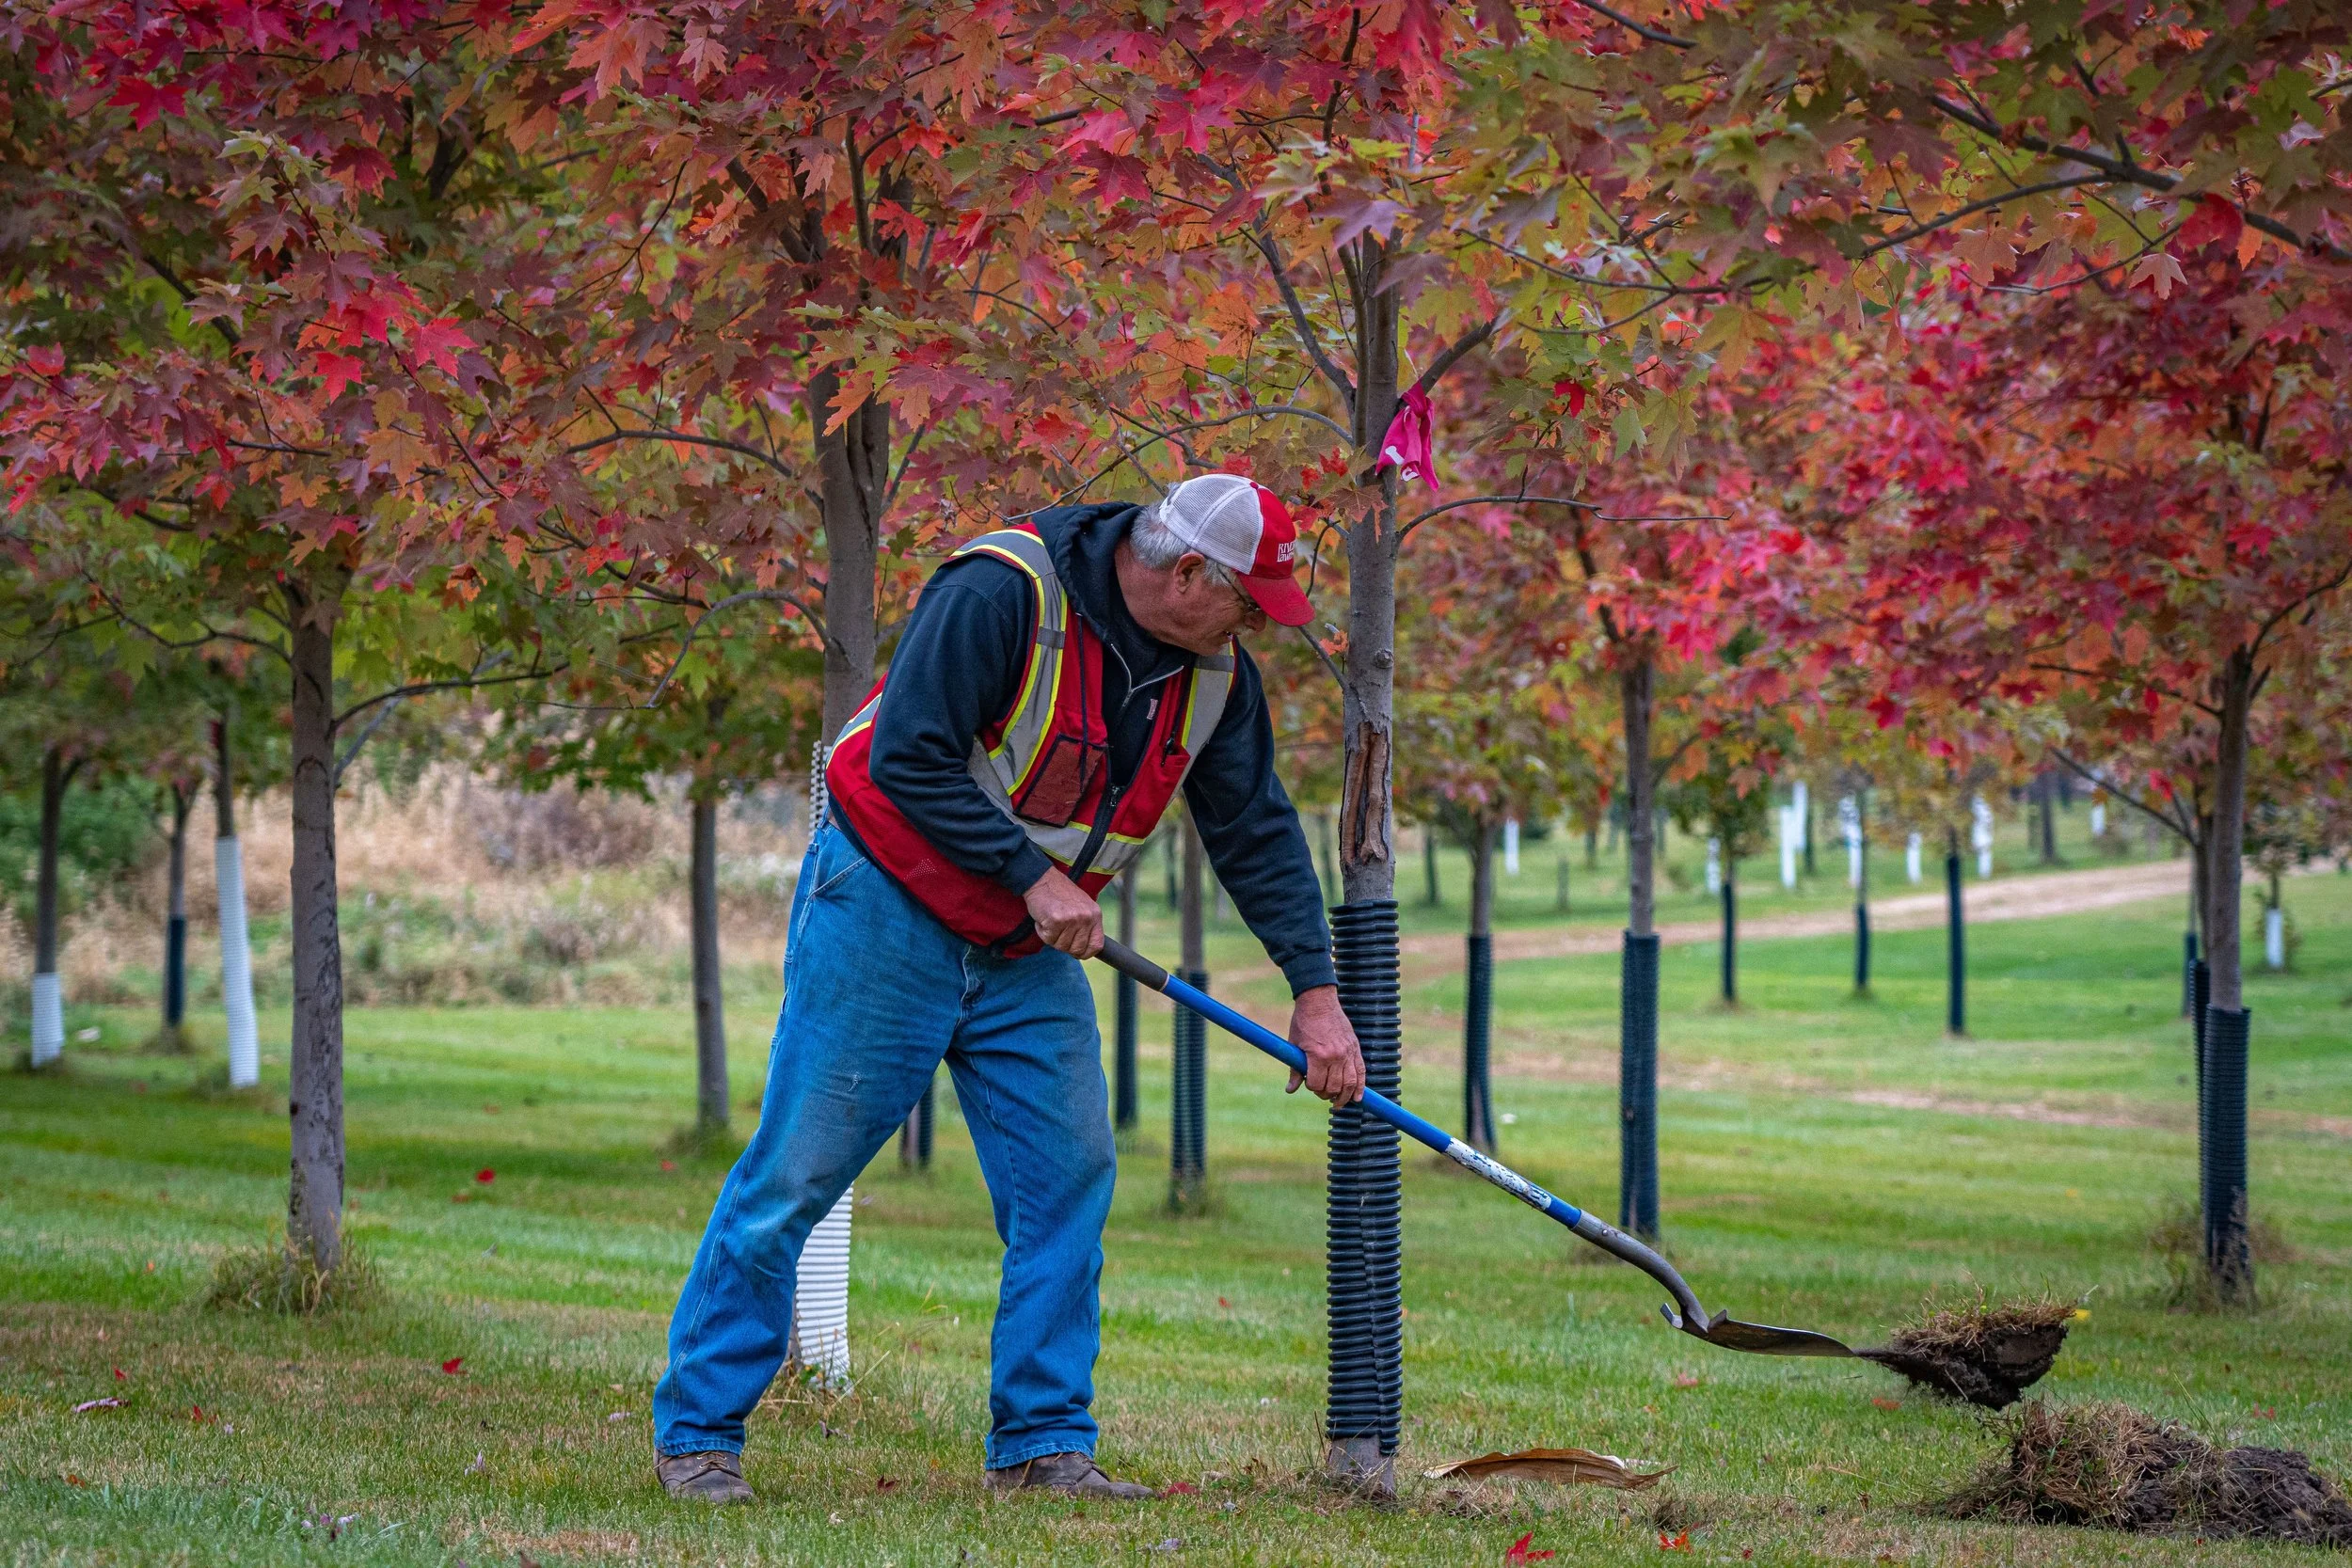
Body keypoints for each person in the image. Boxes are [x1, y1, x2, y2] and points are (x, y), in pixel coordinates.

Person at [652, 473, 1367, 1504]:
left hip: (1026, 949)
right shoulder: (1003, 591)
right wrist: (1033, 876)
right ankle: (700, 1434)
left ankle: (1040, 1446)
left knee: (1066, 1176)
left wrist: (1315, 989)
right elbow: (908, 755)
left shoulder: (1215, 675)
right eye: (1246, 601)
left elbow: (1253, 827)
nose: (1253, 625)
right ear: (1187, 571)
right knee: (796, 1173)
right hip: (887, 905)